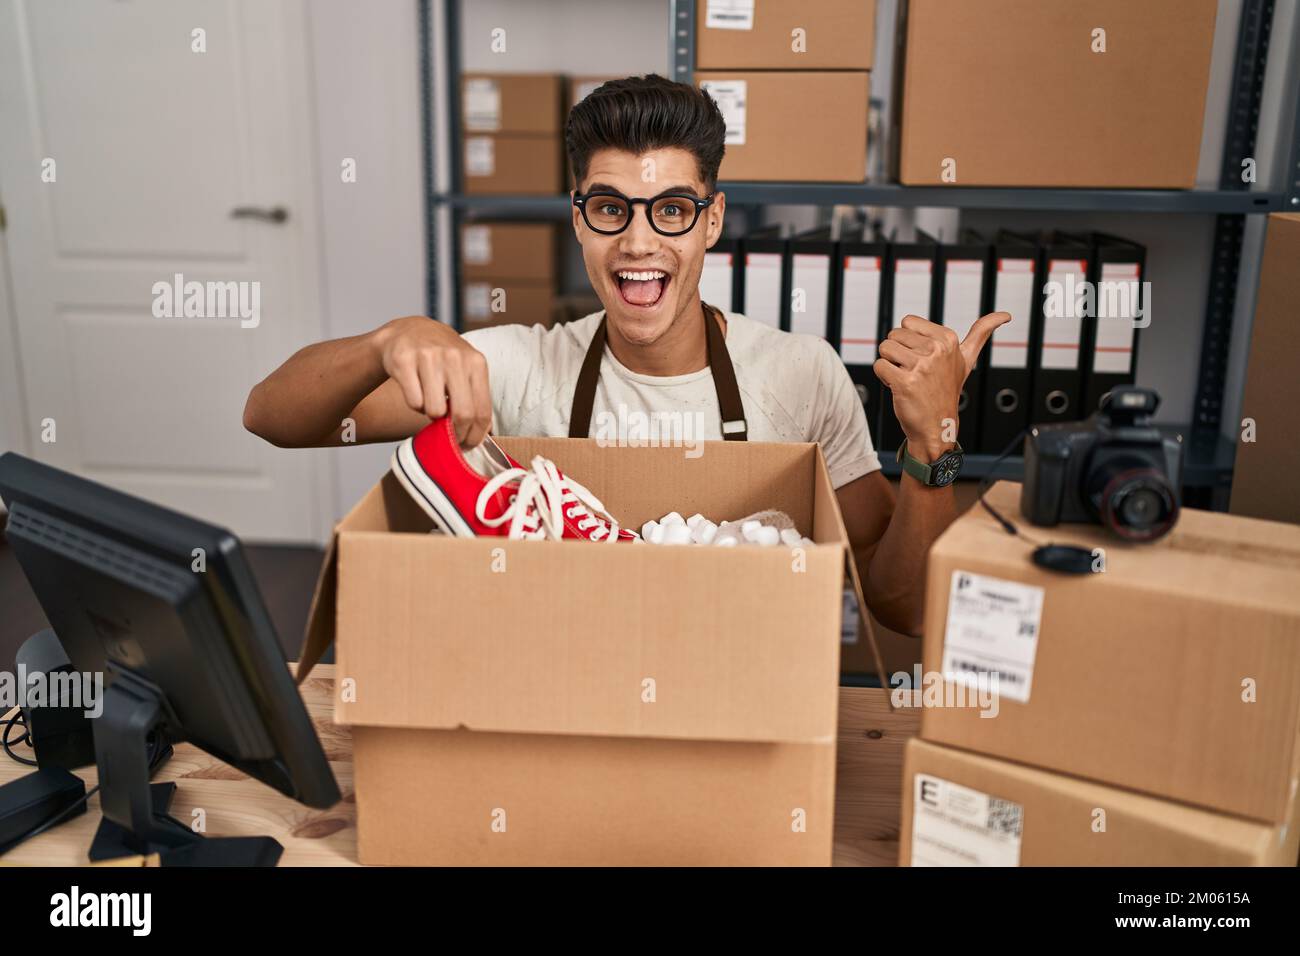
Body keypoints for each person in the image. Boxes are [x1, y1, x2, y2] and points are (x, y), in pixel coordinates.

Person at [243, 75, 1010, 635]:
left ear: (711, 222)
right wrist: (387, 341)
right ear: (578, 220)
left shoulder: (799, 374)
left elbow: (899, 607)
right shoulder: (510, 369)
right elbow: (274, 418)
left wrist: (931, 442)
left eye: (671, 210)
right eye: (610, 208)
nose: (638, 244)